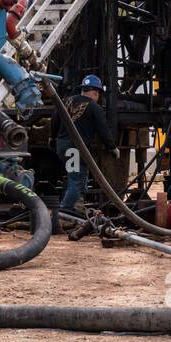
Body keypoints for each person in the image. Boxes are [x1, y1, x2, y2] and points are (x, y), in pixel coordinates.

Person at [54, 74, 115, 232]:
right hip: (75, 149)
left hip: (63, 146)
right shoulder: (94, 107)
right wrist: (112, 147)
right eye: (98, 93)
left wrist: (51, 139)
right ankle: (63, 215)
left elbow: (54, 121)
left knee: (75, 177)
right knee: (76, 180)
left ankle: (77, 209)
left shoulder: (65, 101)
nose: (98, 96)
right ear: (94, 92)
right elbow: (103, 129)